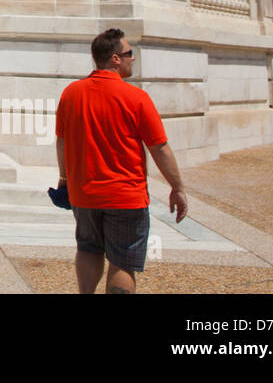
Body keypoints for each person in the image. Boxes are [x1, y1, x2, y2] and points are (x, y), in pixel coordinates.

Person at [55, 28, 189, 294]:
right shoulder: (136, 97)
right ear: (115, 58)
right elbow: (159, 147)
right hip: (126, 195)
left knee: (88, 248)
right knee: (122, 263)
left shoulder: (71, 93)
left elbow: (62, 140)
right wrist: (178, 187)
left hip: (84, 194)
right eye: (130, 53)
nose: (133, 59)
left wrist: (64, 179)